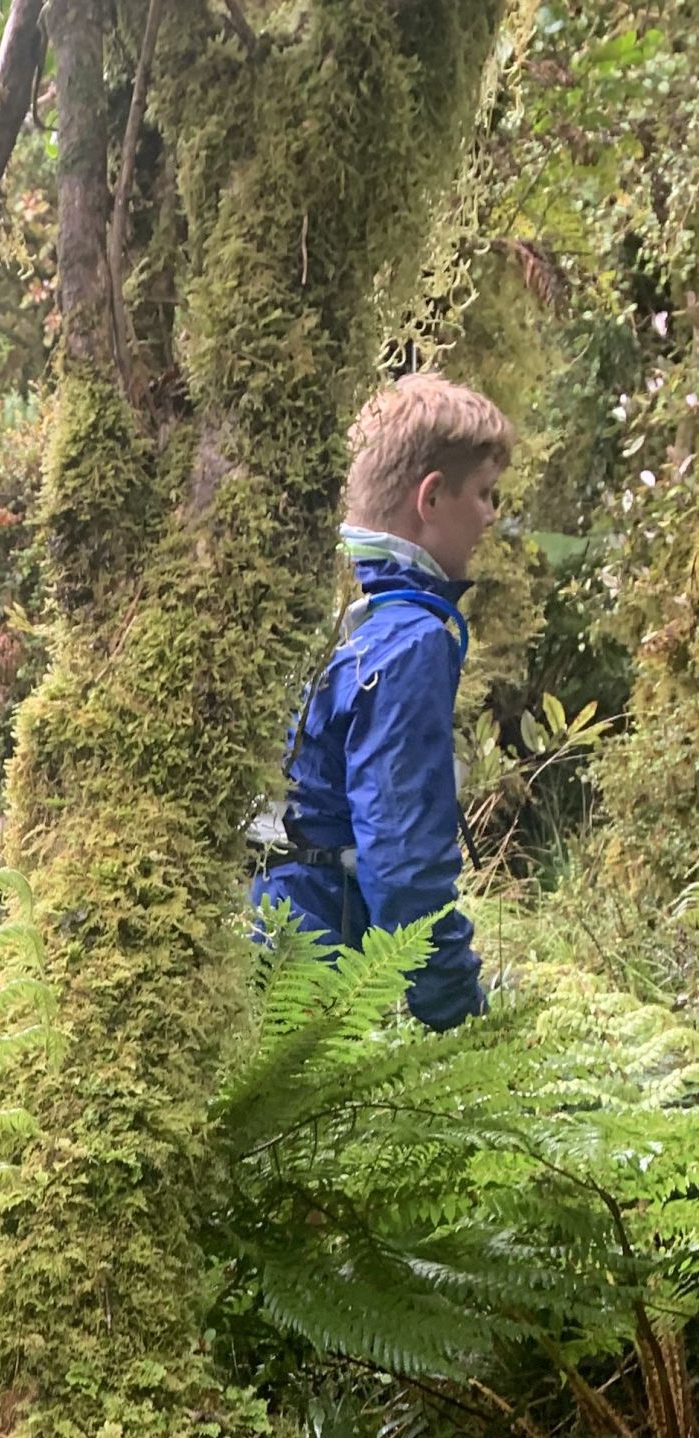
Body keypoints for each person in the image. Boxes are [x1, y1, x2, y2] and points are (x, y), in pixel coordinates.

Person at [252, 372, 513, 1030]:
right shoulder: (411, 644)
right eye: (483, 495)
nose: (490, 516)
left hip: (265, 943)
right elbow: (404, 870)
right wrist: (464, 1024)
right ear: (431, 497)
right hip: (316, 979)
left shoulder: (333, 617)